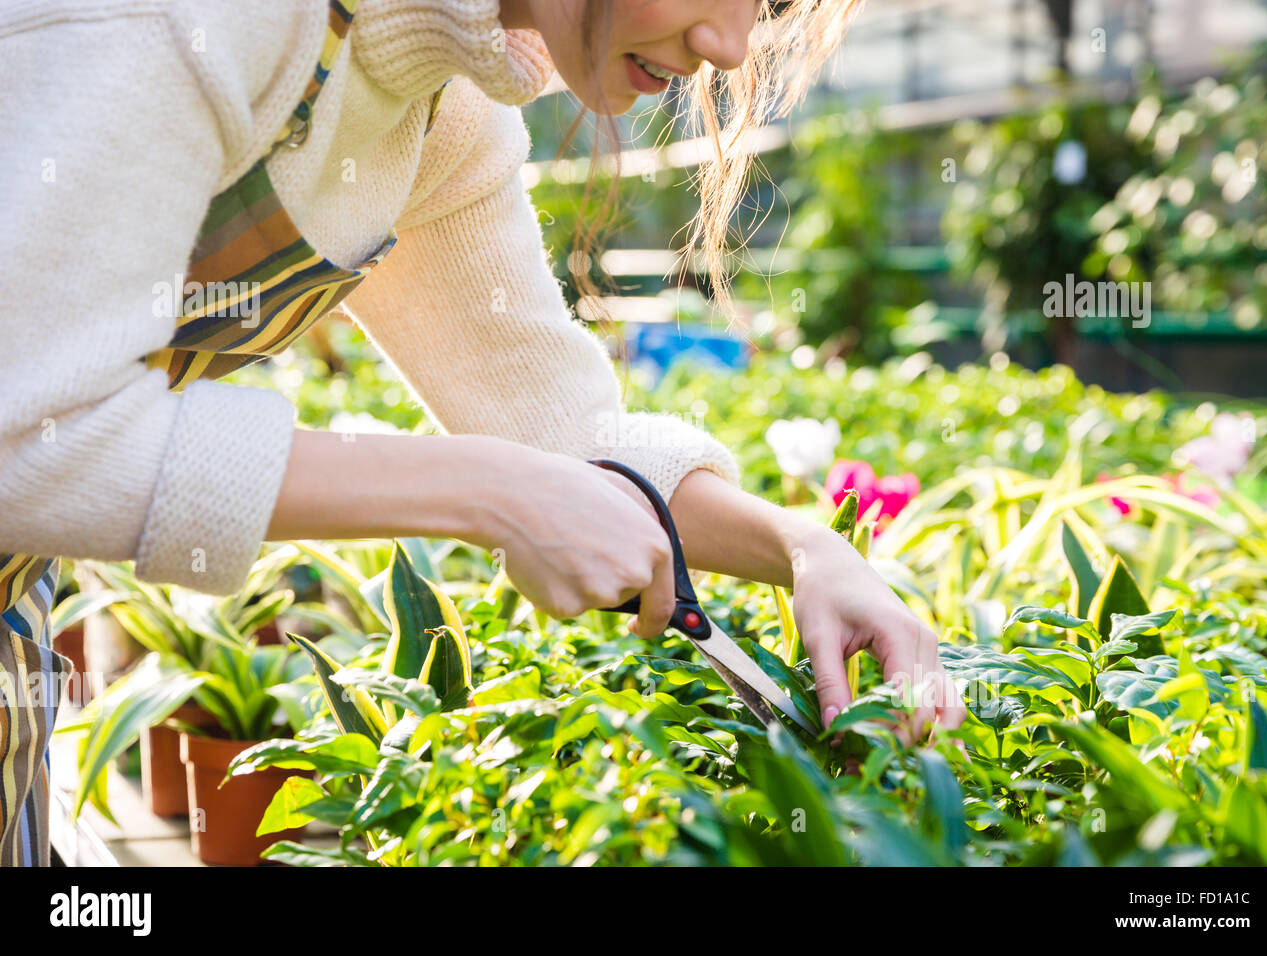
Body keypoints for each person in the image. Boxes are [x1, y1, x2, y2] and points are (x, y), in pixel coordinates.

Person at [0, 0, 964, 866]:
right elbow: (31, 436)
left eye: (769, 3)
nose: (727, 43)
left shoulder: (440, 111)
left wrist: (806, 552)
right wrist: (488, 493)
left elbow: (559, 428)